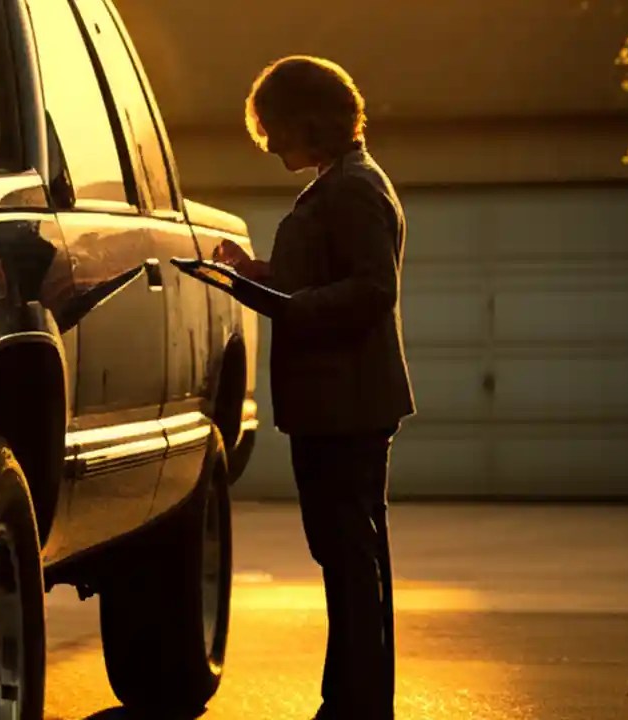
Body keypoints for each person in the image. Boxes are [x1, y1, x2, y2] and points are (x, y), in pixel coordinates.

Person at [213, 55, 415, 720]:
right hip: (334, 405)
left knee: (350, 560)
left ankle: (355, 705)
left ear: (310, 121)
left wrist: (287, 306)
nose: (267, 143)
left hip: (346, 408)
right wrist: (253, 272)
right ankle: (351, 701)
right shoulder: (343, 181)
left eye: (273, 128)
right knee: (347, 558)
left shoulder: (355, 188)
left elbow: (372, 289)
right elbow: (319, 275)